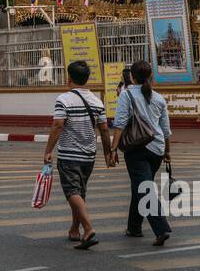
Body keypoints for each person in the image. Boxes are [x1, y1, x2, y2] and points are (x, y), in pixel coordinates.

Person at [42, 60, 114, 250]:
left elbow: (58, 125)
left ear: (69, 78)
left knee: (72, 192)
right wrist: (108, 153)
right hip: (89, 156)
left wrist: (48, 150)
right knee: (79, 192)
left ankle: (88, 228)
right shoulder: (97, 101)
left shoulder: (64, 100)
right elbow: (104, 130)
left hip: (69, 155)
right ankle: (75, 230)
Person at [111, 60, 173, 246]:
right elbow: (166, 128)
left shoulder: (127, 95)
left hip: (136, 148)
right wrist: (167, 152)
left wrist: (113, 149)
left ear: (132, 76)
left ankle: (161, 228)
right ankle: (134, 227)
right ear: (151, 75)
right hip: (157, 148)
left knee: (143, 188)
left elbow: (120, 123)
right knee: (140, 185)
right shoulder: (159, 98)